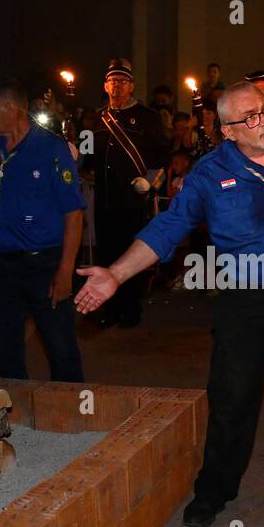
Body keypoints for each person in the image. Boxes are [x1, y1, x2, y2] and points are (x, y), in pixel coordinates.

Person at [74, 82, 264, 527]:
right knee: (233, 395)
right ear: (227, 131)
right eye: (250, 119)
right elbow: (169, 227)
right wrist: (117, 274)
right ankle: (215, 488)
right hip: (246, 299)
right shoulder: (209, 174)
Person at [0, 80, 85, 383]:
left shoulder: (50, 148)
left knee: (60, 345)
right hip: (0, 266)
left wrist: (65, 271)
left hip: (43, 264)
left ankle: (73, 415)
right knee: (6, 348)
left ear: (10, 108)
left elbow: (73, 214)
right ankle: (16, 417)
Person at [88, 58, 170, 328]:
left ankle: (129, 308)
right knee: (107, 252)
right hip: (104, 198)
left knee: (131, 253)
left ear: (132, 86)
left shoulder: (147, 117)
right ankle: (108, 307)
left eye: (122, 82)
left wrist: (150, 182)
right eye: (113, 81)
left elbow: (162, 157)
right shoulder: (96, 118)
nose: (117, 87)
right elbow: (87, 157)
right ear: (105, 85)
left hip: (132, 198)